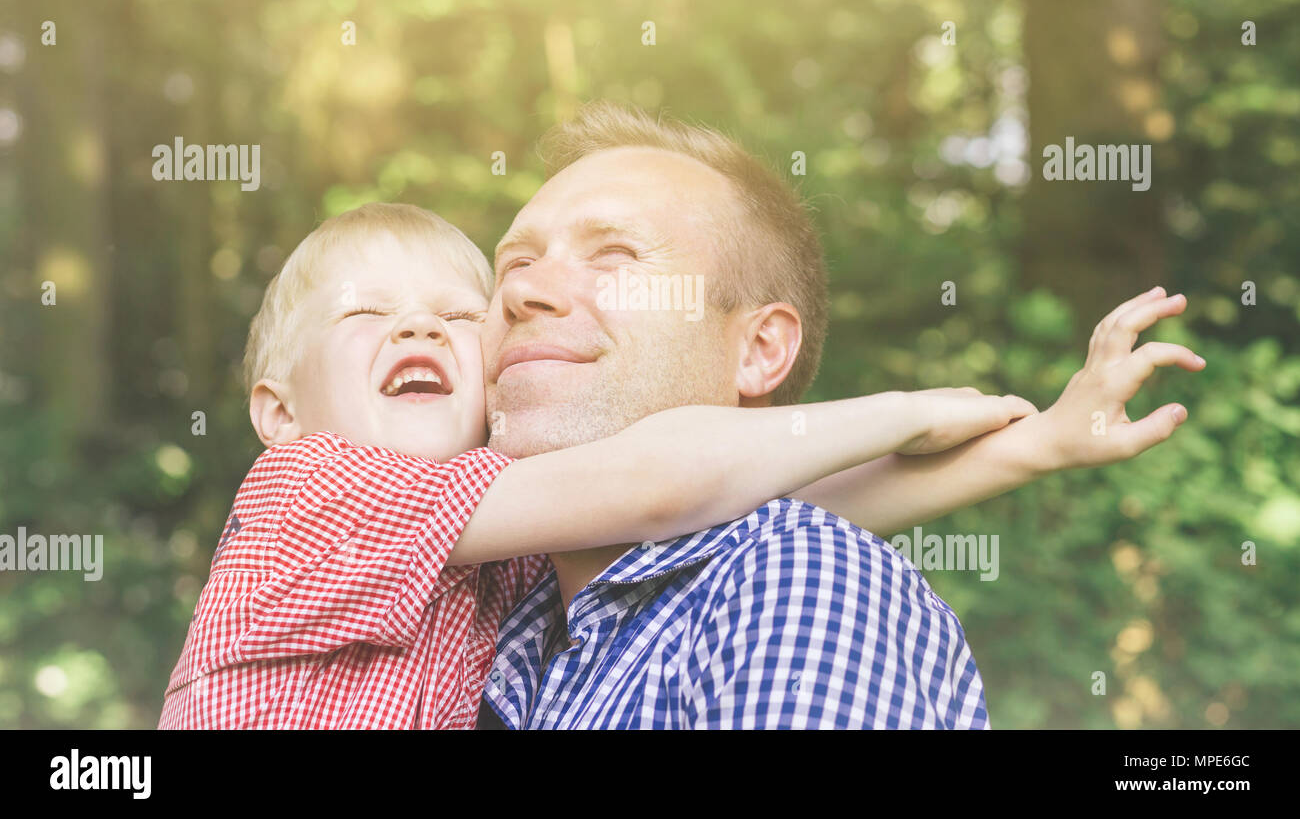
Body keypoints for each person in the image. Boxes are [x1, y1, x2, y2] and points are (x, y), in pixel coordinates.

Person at [157, 202, 1036, 728]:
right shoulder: (308, 489)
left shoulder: (497, 535)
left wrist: (1031, 449)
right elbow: (665, 486)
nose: (418, 330)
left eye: (460, 318)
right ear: (278, 412)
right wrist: (906, 411)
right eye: (366, 315)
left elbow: (739, 516)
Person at [478, 101, 1203, 728]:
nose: (526, 291)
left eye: (614, 254)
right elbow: (671, 490)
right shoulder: (496, 603)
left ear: (760, 349)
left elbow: (701, 492)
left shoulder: (794, 580)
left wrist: (1038, 441)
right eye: (514, 263)